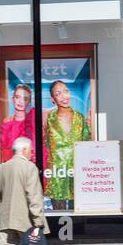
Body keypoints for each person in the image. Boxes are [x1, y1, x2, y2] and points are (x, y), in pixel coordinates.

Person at [43, 80, 91, 210]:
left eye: (66, 91)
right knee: (58, 213)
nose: (64, 96)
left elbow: (86, 145)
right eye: (58, 94)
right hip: (57, 173)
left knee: (78, 213)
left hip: (76, 171)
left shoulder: (80, 118)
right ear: (53, 99)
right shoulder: (48, 119)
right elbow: (43, 145)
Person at [0, 84, 37, 163]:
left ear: (29, 102)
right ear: (13, 99)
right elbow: (1, 151)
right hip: (10, 168)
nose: (21, 101)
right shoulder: (6, 125)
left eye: (25, 99)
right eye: (17, 97)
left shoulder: (33, 122)